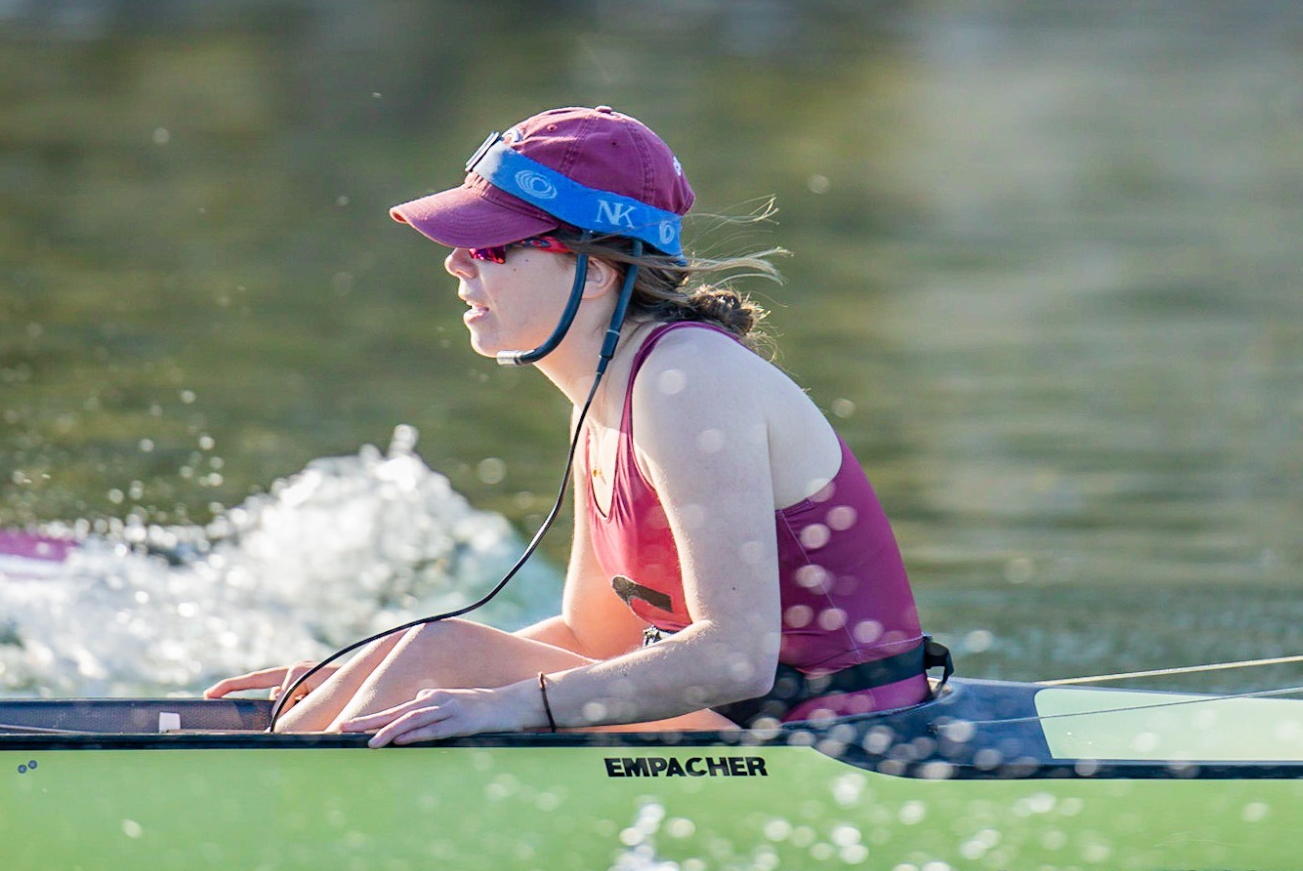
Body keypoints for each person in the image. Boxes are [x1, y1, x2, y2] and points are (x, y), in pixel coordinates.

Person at [204, 106, 936, 746]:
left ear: (595, 272)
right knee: (418, 653)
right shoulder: (608, 393)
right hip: (756, 727)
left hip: (843, 745)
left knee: (437, 648)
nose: (456, 264)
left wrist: (486, 690)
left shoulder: (688, 380)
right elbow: (592, 638)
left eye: (491, 246)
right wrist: (378, 672)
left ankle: (251, 798)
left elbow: (734, 658)